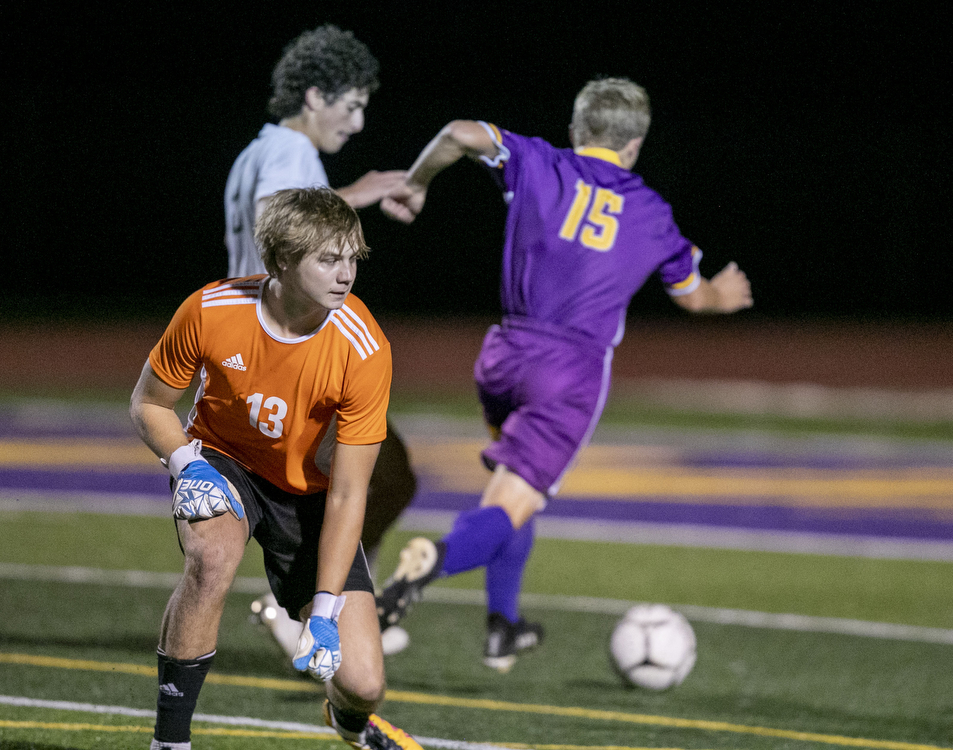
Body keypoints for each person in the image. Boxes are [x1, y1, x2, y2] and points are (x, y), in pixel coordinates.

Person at [377, 77, 754, 671]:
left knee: (513, 494)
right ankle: (431, 562)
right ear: (634, 146)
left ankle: (503, 624)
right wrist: (724, 296)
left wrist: (417, 184)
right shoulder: (653, 212)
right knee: (515, 500)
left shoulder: (537, 161)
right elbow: (692, 296)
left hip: (502, 354)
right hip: (570, 371)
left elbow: (456, 134)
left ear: (577, 130)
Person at [131, 187, 422, 750]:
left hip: (312, 496)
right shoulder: (211, 310)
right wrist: (186, 462)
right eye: (328, 259)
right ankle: (170, 742)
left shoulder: (364, 348)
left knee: (363, 683)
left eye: (352, 259)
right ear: (281, 261)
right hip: (223, 461)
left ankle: (347, 723)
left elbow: (347, 494)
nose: (346, 275)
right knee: (211, 558)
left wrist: (325, 612)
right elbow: (148, 403)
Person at [224, 23, 416, 657]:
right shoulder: (287, 152)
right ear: (314, 97)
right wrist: (368, 188)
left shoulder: (262, 148)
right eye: (351, 105)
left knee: (381, 475)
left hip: (261, 354)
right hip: (283, 355)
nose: (357, 123)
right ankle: (311, 609)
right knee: (370, 476)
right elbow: (279, 219)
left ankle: (331, 605)